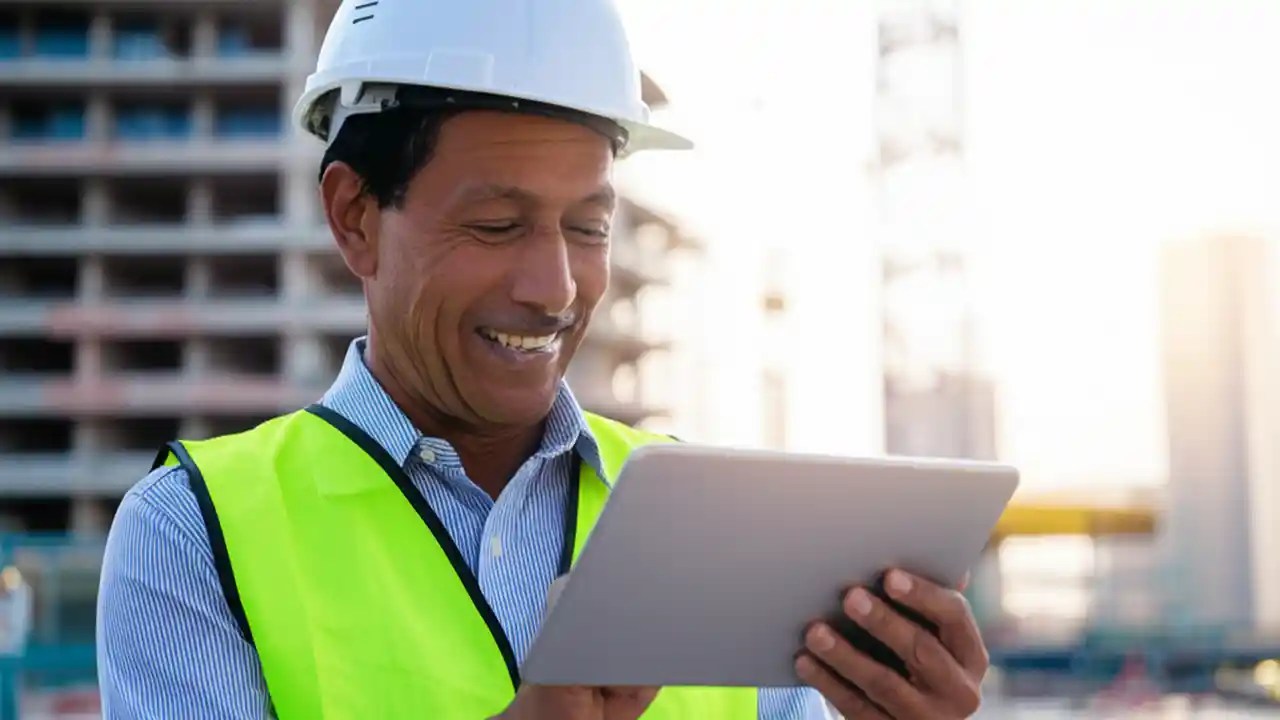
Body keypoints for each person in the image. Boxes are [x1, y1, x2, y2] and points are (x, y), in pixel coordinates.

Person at [96, 1, 989, 718]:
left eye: (589, 228)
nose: (554, 287)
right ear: (355, 218)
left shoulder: (713, 524)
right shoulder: (196, 535)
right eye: (497, 226)